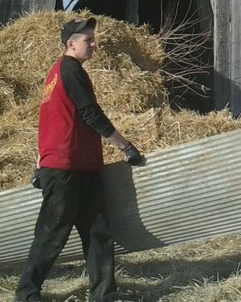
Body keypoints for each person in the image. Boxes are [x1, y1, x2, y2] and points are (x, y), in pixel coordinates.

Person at [15, 16, 146, 302]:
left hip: (82, 167)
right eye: (88, 40)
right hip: (66, 169)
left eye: (93, 39)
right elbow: (90, 113)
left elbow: (51, 120)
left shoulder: (56, 74)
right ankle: (26, 294)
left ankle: (104, 296)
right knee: (51, 236)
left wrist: (40, 161)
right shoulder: (69, 70)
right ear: (70, 44)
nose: (94, 44)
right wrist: (125, 147)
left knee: (98, 234)